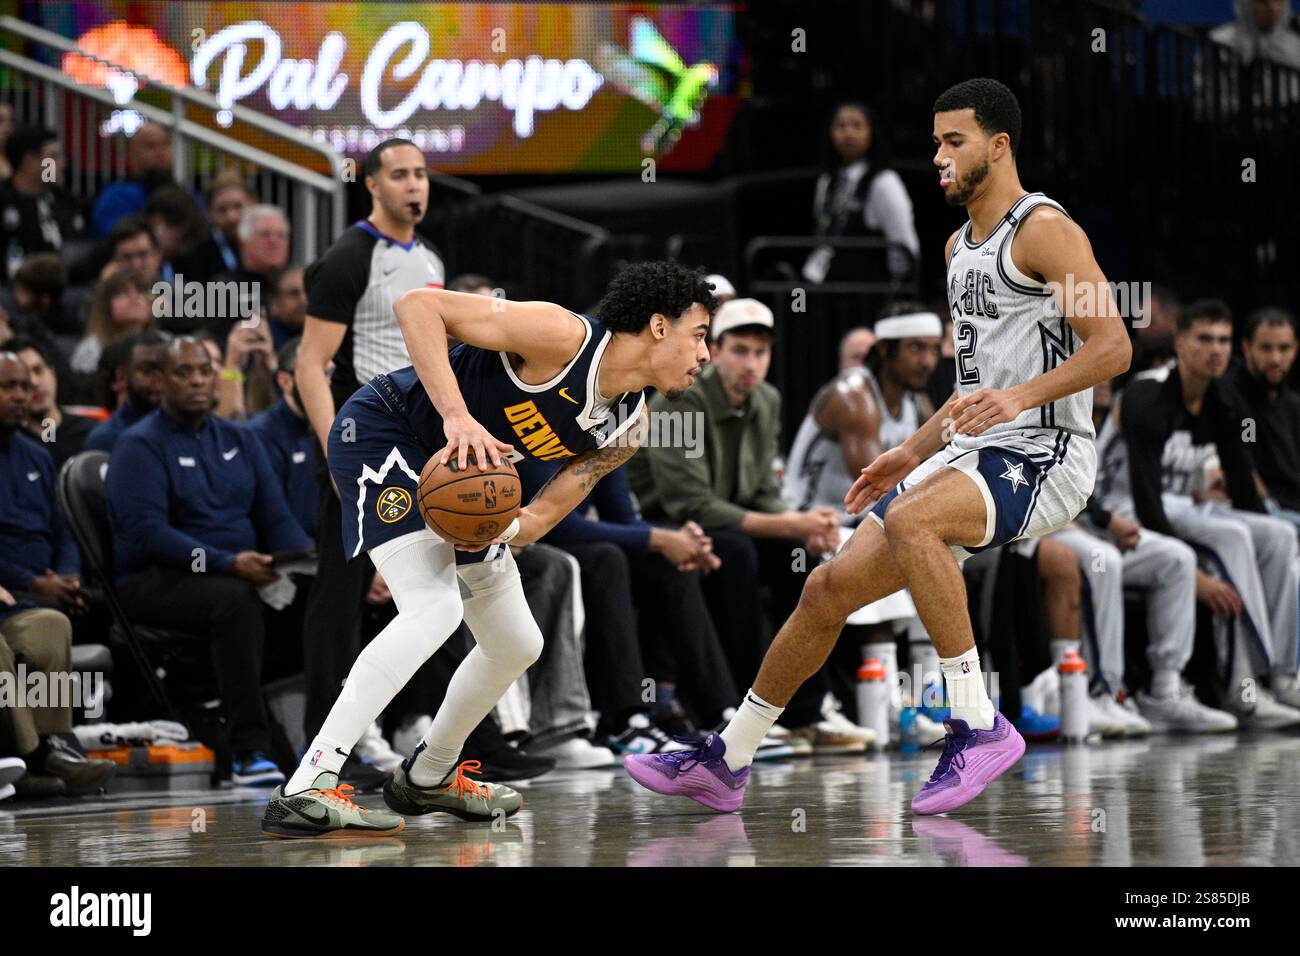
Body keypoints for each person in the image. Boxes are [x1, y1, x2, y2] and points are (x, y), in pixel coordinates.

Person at [626, 77, 1131, 816]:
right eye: (933, 143)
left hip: (1046, 454)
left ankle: (978, 722)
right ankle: (727, 759)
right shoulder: (960, 246)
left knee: (913, 522)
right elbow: (972, 388)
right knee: (825, 589)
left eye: (952, 142)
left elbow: (1114, 344)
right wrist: (913, 451)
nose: (937, 157)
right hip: (972, 451)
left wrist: (1021, 398)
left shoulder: (1046, 230)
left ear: (998, 146)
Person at [261, 259, 715, 837]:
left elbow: (538, 519)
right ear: (657, 326)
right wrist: (458, 417)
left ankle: (429, 775)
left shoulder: (628, 427)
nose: (705, 355)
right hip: (389, 432)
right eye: (699, 336)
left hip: (463, 487)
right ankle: (308, 783)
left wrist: (495, 526)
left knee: (517, 641)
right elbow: (418, 307)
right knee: (435, 608)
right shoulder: (563, 336)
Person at [626, 297, 861, 752]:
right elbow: (688, 503)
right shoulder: (678, 401)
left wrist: (798, 526)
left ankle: (809, 711)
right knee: (739, 553)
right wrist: (789, 523)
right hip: (665, 528)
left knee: (804, 560)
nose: (751, 363)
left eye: (760, 352)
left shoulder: (766, 400)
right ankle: (749, 712)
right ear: (713, 349)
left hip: (729, 526)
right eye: (739, 350)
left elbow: (759, 492)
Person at [293, 137, 445, 787]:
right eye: (400, 175)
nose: (415, 185)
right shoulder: (348, 259)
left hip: (419, 450)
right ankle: (327, 743)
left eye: (421, 174)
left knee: (437, 589)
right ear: (372, 186)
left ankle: (427, 726)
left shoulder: (430, 258)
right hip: (362, 451)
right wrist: (337, 453)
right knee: (342, 598)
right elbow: (308, 364)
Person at [107, 336, 313, 786]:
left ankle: (331, 742)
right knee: (233, 599)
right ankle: (249, 751)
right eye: (184, 372)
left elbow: (276, 517)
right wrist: (224, 562)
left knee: (333, 593)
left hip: (235, 571)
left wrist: (308, 563)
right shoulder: (137, 445)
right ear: (161, 381)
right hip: (156, 580)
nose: (198, 380)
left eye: (204, 370)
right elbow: (147, 535)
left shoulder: (240, 438)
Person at [1098, 300, 1300, 726]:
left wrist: (1264, 520)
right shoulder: (1146, 394)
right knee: (1233, 539)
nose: (1216, 350)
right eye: (1204, 339)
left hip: (1180, 505)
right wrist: (1199, 577)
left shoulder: (1224, 397)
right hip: (1123, 505)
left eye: (1224, 340)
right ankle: (1244, 688)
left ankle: (1284, 675)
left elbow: (1243, 490)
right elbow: (1148, 500)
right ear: (1180, 344)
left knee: (1277, 535)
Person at [0, 352, 86, 618]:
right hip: (11, 588)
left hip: (50, 583)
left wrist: (68, 577)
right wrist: (33, 582)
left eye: (24, 387)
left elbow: (64, 530)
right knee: (51, 614)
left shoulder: (38, 455)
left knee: (111, 610)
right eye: (7, 387)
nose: (19, 396)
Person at [804, 100, 920, 284]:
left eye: (857, 126)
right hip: (825, 283)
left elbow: (904, 244)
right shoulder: (827, 182)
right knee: (794, 298)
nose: (848, 133)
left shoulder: (884, 182)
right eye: (841, 126)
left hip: (866, 288)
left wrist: (896, 288)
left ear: (871, 132)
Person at [1224, 306, 1300, 529]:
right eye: (1266, 348)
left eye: (1284, 348)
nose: (1276, 359)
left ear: (1295, 349)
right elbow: (1245, 463)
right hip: (1266, 513)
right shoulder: (1235, 401)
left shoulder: (1293, 405)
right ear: (1247, 347)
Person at [247, 337, 317, 540]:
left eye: (331, 373)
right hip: (293, 556)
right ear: (285, 381)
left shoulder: (342, 425)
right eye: (320, 374)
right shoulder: (261, 435)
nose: (327, 383)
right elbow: (271, 516)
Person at [0, 125, 86, 280]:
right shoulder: (4, 200)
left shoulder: (65, 201)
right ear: (29, 161)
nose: (63, 163)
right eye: (53, 156)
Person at [9, 335, 96, 469]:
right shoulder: (10, 445)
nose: (34, 382)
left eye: (38, 370)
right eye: (24, 376)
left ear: (53, 375)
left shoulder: (90, 433)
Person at [83, 331, 167, 453]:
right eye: (147, 370)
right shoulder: (107, 439)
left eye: (164, 369)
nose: (158, 378)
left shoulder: (193, 429)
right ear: (122, 376)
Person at [91, 121, 174, 238]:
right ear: (132, 155)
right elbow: (117, 239)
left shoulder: (182, 193)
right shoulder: (117, 196)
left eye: (164, 145)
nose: (160, 152)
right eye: (151, 146)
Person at [69, 270, 156, 380]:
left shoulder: (165, 342)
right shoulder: (91, 350)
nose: (134, 298)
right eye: (122, 293)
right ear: (106, 306)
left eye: (140, 291)